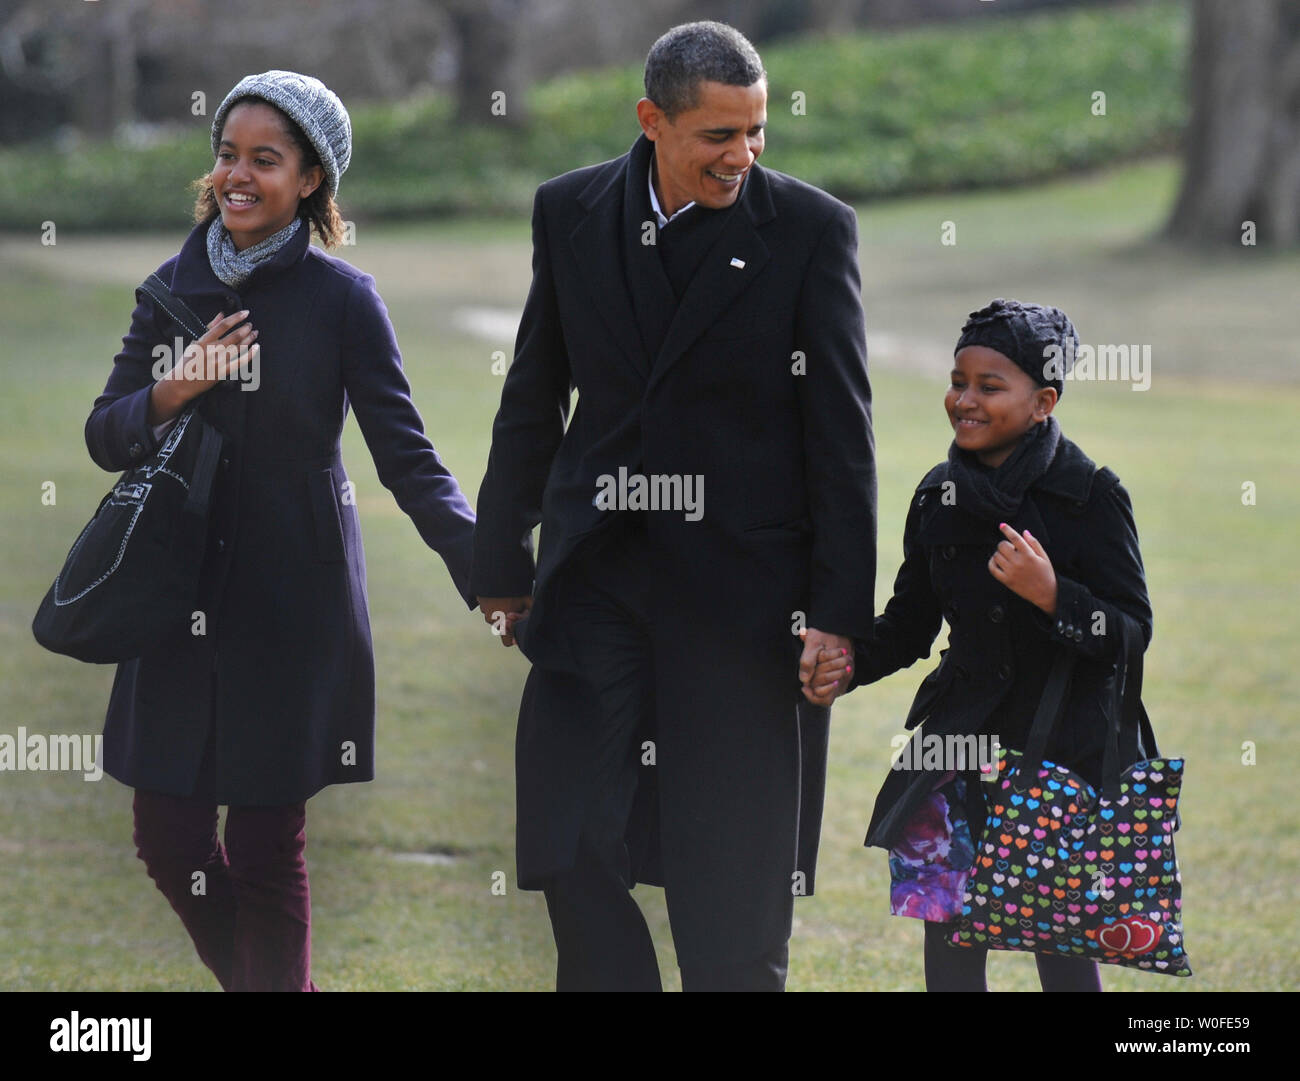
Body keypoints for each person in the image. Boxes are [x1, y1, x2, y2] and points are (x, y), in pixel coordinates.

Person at [472, 22, 876, 991]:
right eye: (717, 136)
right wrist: (501, 563)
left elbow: (841, 438)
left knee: (731, 883)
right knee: (567, 837)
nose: (742, 156)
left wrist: (836, 615)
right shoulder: (566, 211)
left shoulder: (812, 231)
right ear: (652, 120)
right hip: (594, 579)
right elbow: (534, 395)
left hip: (744, 601)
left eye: (756, 132)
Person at [84, 70, 476, 991]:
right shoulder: (168, 290)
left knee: (264, 840)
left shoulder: (344, 301)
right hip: (170, 590)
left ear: (310, 181)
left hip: (290, 599)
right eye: (227, 155)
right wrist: (175, 385)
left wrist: (487, 568)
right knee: (166, 835)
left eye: (266, 159)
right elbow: (106, 434)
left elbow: (408, 459)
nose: (239, 176)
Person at [811, 297, 1157, 992]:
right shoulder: (937, 496)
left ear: (1043, 401)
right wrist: (848, 661)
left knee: (1059, 948)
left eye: (989, 387)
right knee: (952, 938)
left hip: (1060, 757)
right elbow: (908, 626)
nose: (964, 400)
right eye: (958, 380)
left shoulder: (1089, 495)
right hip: (957, 750)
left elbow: (1130, 631)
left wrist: (1055, 595)